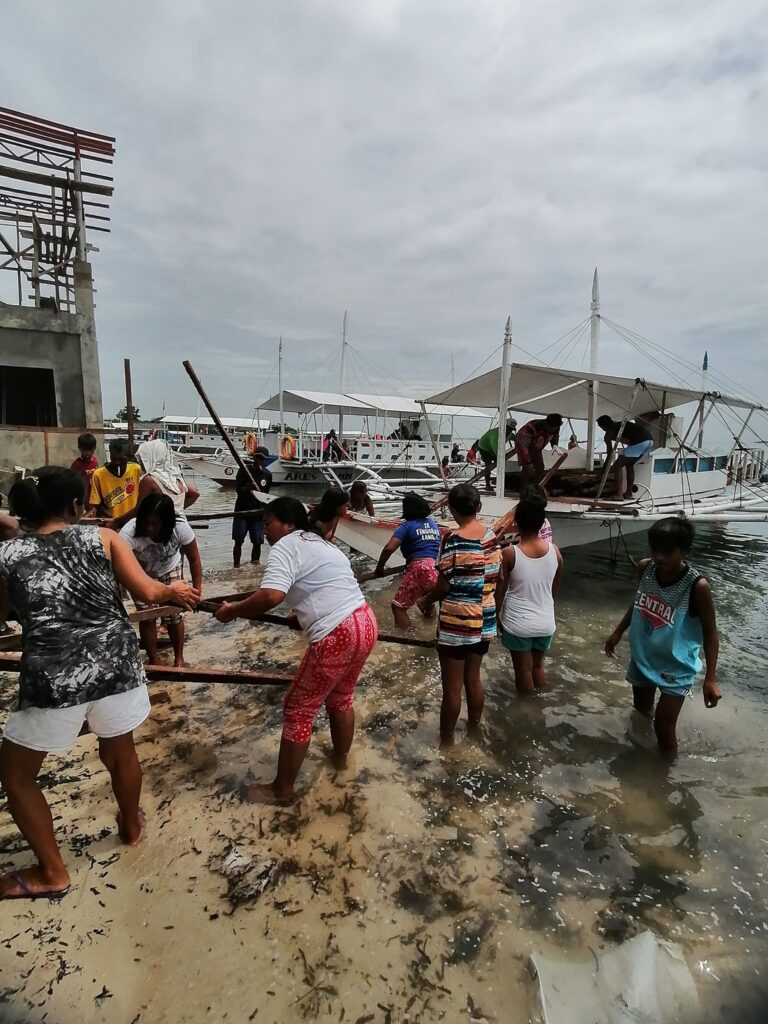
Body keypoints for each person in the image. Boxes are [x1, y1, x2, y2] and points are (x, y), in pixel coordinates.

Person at [0, 467, 199, 900]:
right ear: (77, 507)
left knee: (16, 777)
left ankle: (53, 873)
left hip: (55, 677)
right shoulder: (104, 538)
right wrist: (176, 591)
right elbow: (149, 592)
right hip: (118, 666)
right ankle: (131, 827)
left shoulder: (9, 554)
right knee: (120, 752)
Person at [214, 497, 378, 803]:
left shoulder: (286, 546)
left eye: (268, 523)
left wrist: (233, 611)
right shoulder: (324, 545)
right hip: (364, 622)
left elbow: (271, 596)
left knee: (298, 708)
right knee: (341, 696)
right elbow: (324, 585)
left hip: (337, 632)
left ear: (289, 524)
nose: (265, 531)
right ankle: (340, 759)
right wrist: (301, 613)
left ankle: (282, 789)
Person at [604, 518, 720, 754]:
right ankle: (640, 758)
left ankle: (667, 771)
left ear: (685, 552)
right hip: (644, 656)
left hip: (677, 666)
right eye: (655, 550)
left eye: (667, 552)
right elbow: (639, 602)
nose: (659, 557)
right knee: (641, 711)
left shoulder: (698, 587)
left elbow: (710, 633)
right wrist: (618, 631)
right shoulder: (646, 568)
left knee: (664, 726)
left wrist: (710, 678)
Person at [419, 484, 500, 745]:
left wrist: (425, 600)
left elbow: (444, 585)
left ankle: (446, 742)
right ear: (478, 507)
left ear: (451, 509)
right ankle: (474, 731)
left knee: (452, 687)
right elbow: (497, 576)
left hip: (457, 622)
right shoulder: (491, 537)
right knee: (473, 678)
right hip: (484, 619)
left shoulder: (452, 540)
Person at [120, 494, 203, 667]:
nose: (149, 528)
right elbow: (121, 567)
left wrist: (197, 590)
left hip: (169, 567)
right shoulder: (128, 533)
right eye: (146, 522)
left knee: (173, 614)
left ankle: (179, 659)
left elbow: (194, 559)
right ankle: (154, 661)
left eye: (155, 524)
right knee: (148, 616)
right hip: (141, 573)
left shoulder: (180, 527)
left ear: (166, 523)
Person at [496, 495, 563, 693]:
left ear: (516, 523)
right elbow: (553, 592)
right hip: (545, 621)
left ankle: (527, 708)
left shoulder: (510, 553)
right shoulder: (555, 552)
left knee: (523, 671)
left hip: (518, 623)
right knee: (538, 667)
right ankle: (540, 703)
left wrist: (494, 618)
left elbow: (500, 591)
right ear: (542, 523)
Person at [376, 492, 441, 629]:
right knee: (427, 602)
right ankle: (429, 629)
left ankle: (405, 636)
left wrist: (379, 568)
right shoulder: (433, 524)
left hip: (419, 568)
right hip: (435, 569)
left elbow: (389, 548)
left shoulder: (406, 526)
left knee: (398, 607)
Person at [135, 438, 199, 517]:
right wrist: (176, 510)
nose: (141, 462)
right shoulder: (176, 479)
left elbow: (137, 511)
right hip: (180, 521)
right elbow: (195, 493)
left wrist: (120, 520)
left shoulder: (149, 480)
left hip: (159, 522)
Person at [596, 415, 654, 500]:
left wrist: (602, 471)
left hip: (640, 441)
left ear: (603, 426)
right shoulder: (619, 425)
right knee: (629, 464)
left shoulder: (609, 432)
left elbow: (609, 454)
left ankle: (619, 495)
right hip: (650, 441)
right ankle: (628, 493)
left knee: (617, 466)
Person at [233, 448, 272, 567]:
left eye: (262, 458)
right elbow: (238, 491)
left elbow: (266, 496)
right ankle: (236, 566)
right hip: (242, 511)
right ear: (254, 458)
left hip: (258, 513)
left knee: (257, 542)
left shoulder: (267, 474)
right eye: (258, 457)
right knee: (239, 541)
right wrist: (247, 487)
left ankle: (255, 566)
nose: (260, 460)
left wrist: (266, 515)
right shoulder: (244, 470)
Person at [90, 439, 141, 525]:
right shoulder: (98, 474)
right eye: (114, 458)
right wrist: (106, 513)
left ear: (129, 457)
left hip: (132, 521)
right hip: (111, 522)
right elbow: (96, 502)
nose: (117, 462)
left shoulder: (136, 469)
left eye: (122, 459)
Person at [514, 414, 564, 488]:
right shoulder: (530, 428)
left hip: (536, 448)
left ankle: (537, 487)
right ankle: (525, 488)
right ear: (547, 425)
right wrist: (527, 462)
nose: (554, 430)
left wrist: (554, 444)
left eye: (556, 428)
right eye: (552, 428)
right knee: (528, 468)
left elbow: (555, 435)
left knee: (540, 467)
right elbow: (522, 445)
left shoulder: (555, 428)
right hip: (524, 446)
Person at [475, 418, 517, 491]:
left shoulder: (509, 433)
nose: (509, 431)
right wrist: (499, 459)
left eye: (511, 429)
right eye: (508, 428)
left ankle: (504, 483)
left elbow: (517, 438)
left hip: (494, 449)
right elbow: (497, 452)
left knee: (501, 464)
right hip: (484, 447)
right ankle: (488, 485)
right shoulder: (496, 435)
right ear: (504, 426)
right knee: (488, 465)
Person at [70, 433, 99, 511]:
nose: (88, 453)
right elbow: (74, 486)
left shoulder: (95, 461)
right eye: (85, 450)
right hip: (84, 502)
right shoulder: (76, 465)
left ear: (94, 448)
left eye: (90, 450)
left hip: (94, 499)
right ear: (80, 448)